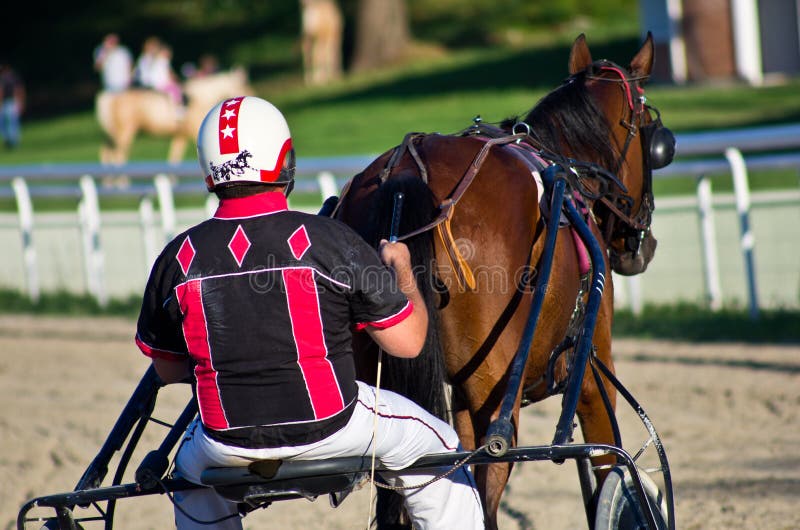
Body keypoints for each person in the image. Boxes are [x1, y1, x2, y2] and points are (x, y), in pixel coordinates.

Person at [135, 96, 484, 529]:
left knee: (191, 486)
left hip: (224, 443)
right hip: (333, 427)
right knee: (441, 445)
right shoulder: (330, 241)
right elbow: (408, 342)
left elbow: (168, 370)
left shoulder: (177, 258)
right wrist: (403, 272)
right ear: (286, 162)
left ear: (208, 171)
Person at [0, 62, 25, 149]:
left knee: (10, 123)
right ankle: (10, 141)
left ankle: (12, 142)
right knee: (8, 123)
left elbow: (18, 90)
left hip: (9, 102)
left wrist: (19, 102)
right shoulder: (9, 78)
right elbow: (20, 90)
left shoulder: (8, 78)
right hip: (9, 102)